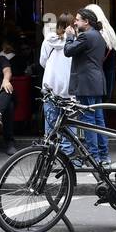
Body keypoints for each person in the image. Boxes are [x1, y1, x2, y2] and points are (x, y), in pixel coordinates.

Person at [65, 8, 109, 166]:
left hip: (86, 83)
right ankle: (104, 155)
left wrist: (69, 38)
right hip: (97, 81)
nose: (75, 22)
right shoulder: (98, 36)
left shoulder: (85, 36)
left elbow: (68, 51)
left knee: (88, 121)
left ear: (86, 22)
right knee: (99, 119)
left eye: (77, 20)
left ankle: (93, 157)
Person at [40, 13, 75, 155]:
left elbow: (42, 61)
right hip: (69, 86)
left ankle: (50, 154)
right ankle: (67, 153)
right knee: (69, 123)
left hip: (50, 85)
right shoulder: (76, 41)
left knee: (51, 123)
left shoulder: (48, 40)